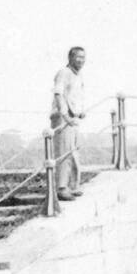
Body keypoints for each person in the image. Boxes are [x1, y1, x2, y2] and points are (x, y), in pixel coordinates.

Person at [51, 46, 86, 200]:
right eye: (78, 57)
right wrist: (65, 116)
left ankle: (73, 186)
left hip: (74, 119)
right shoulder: (63, 73)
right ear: (70, 58)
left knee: (74, 151)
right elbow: (58, 95)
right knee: (64, 152)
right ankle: (61, 188)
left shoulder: (78, 76)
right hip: (63, 118)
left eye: (83, 57)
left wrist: (80, 112)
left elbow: (75, 98)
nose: (81, 60)